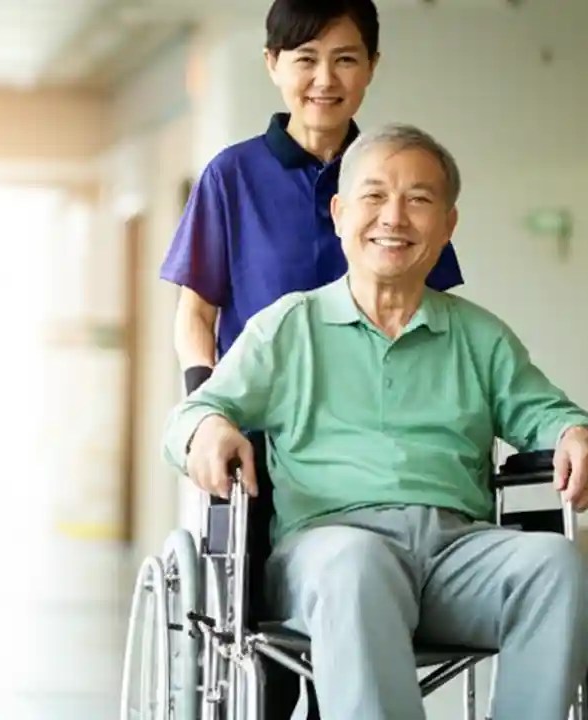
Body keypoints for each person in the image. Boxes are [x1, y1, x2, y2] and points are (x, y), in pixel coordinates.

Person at [161, 123, 588, 719]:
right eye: (374, 197)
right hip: (329, 553)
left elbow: (550, 414)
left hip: (457, 554)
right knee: (360, 567)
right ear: (340, 213)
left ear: (448, 226)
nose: (393, 218)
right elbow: (193, 416)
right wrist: (211, 429)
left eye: (419, 200)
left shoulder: (479, 337)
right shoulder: (289, 327)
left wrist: (579, 434)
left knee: (558, 570)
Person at [159, 1, 463, 714]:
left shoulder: (392, 177)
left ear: (371, 69)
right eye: (305, 59)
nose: (325, 79)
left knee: (354, 643)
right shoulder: (232, 177)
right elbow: (196, 314)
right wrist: (208, 413)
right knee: (266, 665)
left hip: (370, 445)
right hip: (262, 446)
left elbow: (436, 309)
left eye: (346, 58)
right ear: (273, 66)